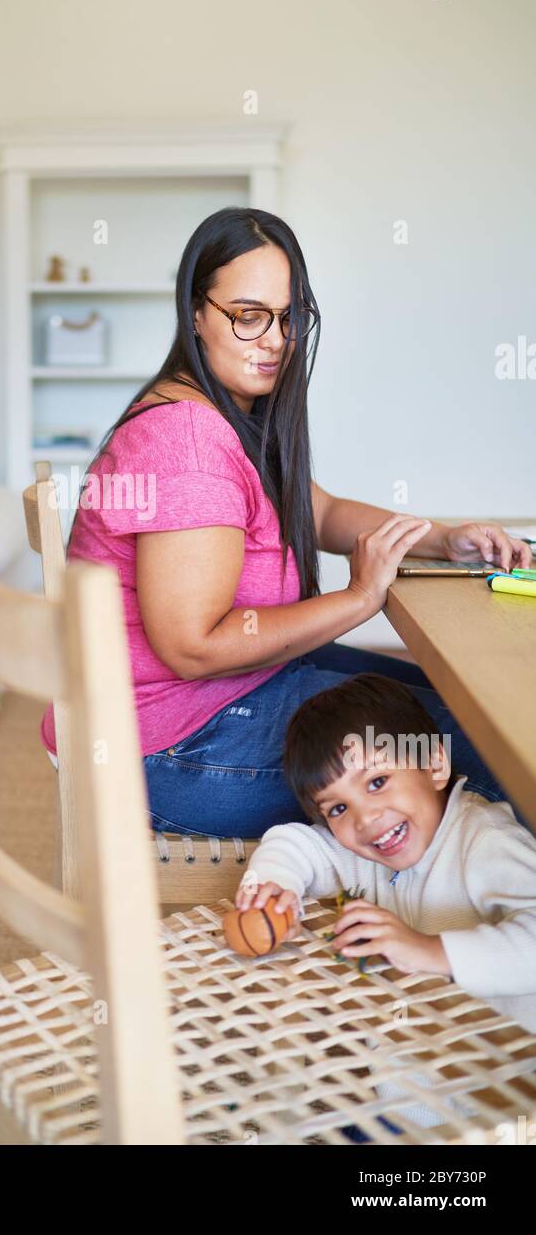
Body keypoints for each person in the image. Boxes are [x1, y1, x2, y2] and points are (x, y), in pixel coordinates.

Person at [39, 206, 534, 835]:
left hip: (218, 697)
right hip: (166, 743)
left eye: (287, 317)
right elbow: (193, 647)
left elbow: (316, 509)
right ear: (196, 313)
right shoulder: (188, 440)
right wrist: (360, 598)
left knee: (457, 706)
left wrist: (440, 536)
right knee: (479, 748)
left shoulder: (225, 410)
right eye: (247, 316)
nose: (273, 339)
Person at [233, 673, 536, 1135]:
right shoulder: (368, 850)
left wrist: (429, 951)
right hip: (403, 1098)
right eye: (337, 809)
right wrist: (276, 884)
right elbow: (297, 843)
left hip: (503, 1105)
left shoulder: (484, 842)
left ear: (435, 765)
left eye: (377, 781)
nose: (365, 818)